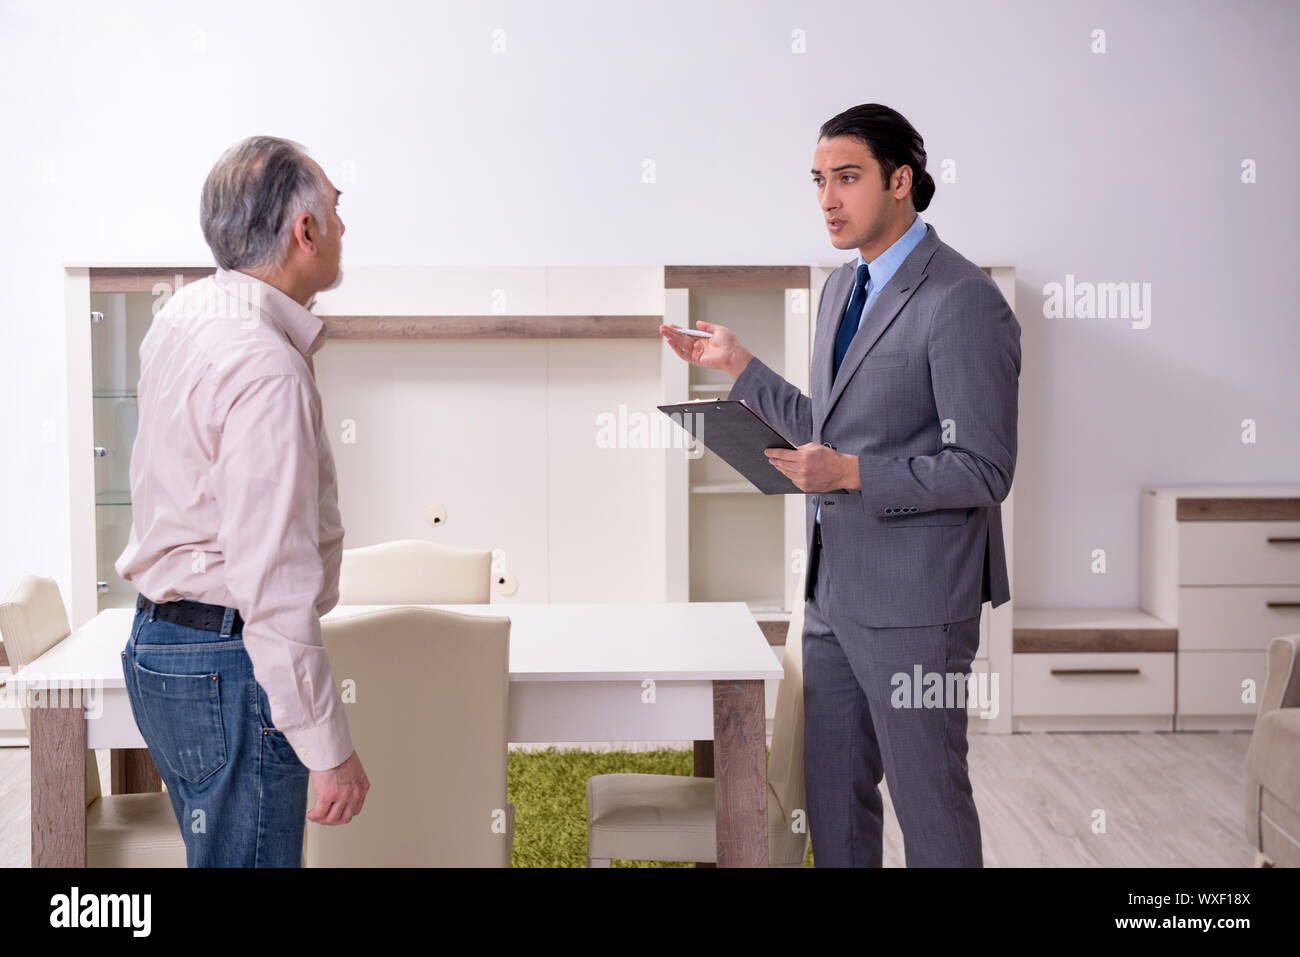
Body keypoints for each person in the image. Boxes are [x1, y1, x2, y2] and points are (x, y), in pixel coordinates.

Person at [661, 103, 1020, 867]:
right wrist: (739, 366)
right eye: (819, 180)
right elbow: (828, 424)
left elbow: (985, 469)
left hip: (919, 605)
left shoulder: (963, 301)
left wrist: (850, 473)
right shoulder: (838, 291)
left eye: (847, 178)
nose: (827, 198)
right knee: (831, 803)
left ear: (902, 180)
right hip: (831, 599)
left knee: (929, 803)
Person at [116, 135, 369, 866]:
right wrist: (327, 747)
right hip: (226, 662)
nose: (344, 226)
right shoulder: (265, 368)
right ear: (305, 231)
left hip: (160, 647)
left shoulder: (183, 318)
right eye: (336, 207)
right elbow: (272, 579)